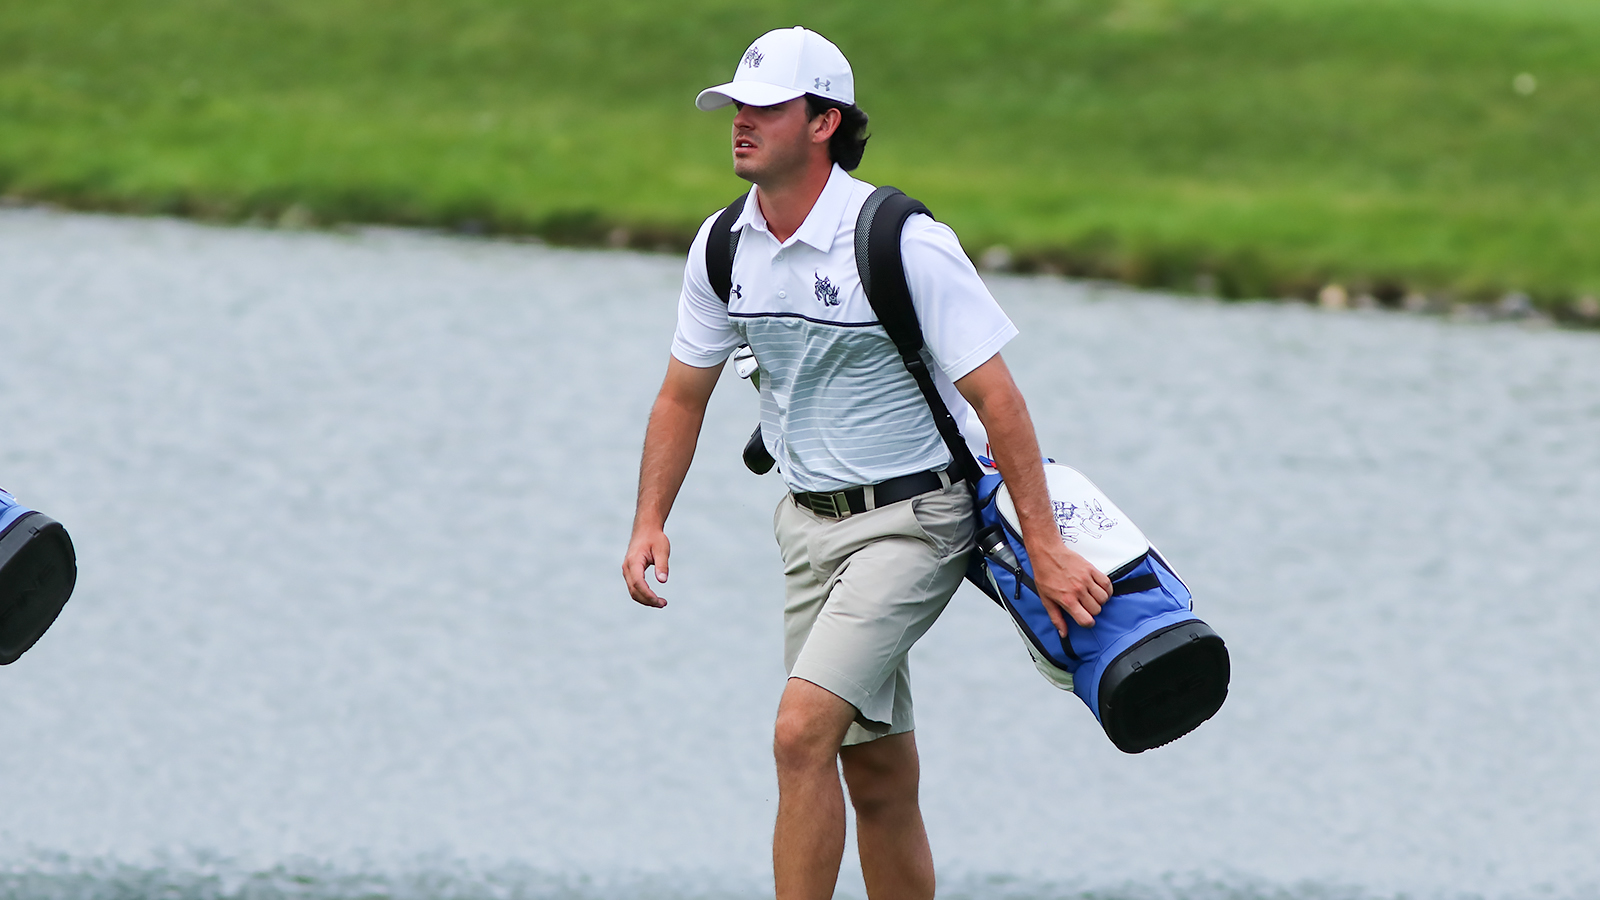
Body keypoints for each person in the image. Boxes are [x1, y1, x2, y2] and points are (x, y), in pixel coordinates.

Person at [621, 26, 1112, 900]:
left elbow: (1001, 403)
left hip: (915, 524)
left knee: (799, 733)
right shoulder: (723, 246)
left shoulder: (901, 240)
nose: (741, 123)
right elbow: (680, 395)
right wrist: (649, 519)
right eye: (735, 107)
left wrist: (1045, 547)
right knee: (877, 777)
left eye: (765, 108)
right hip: (807, 533)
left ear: (822, 122)